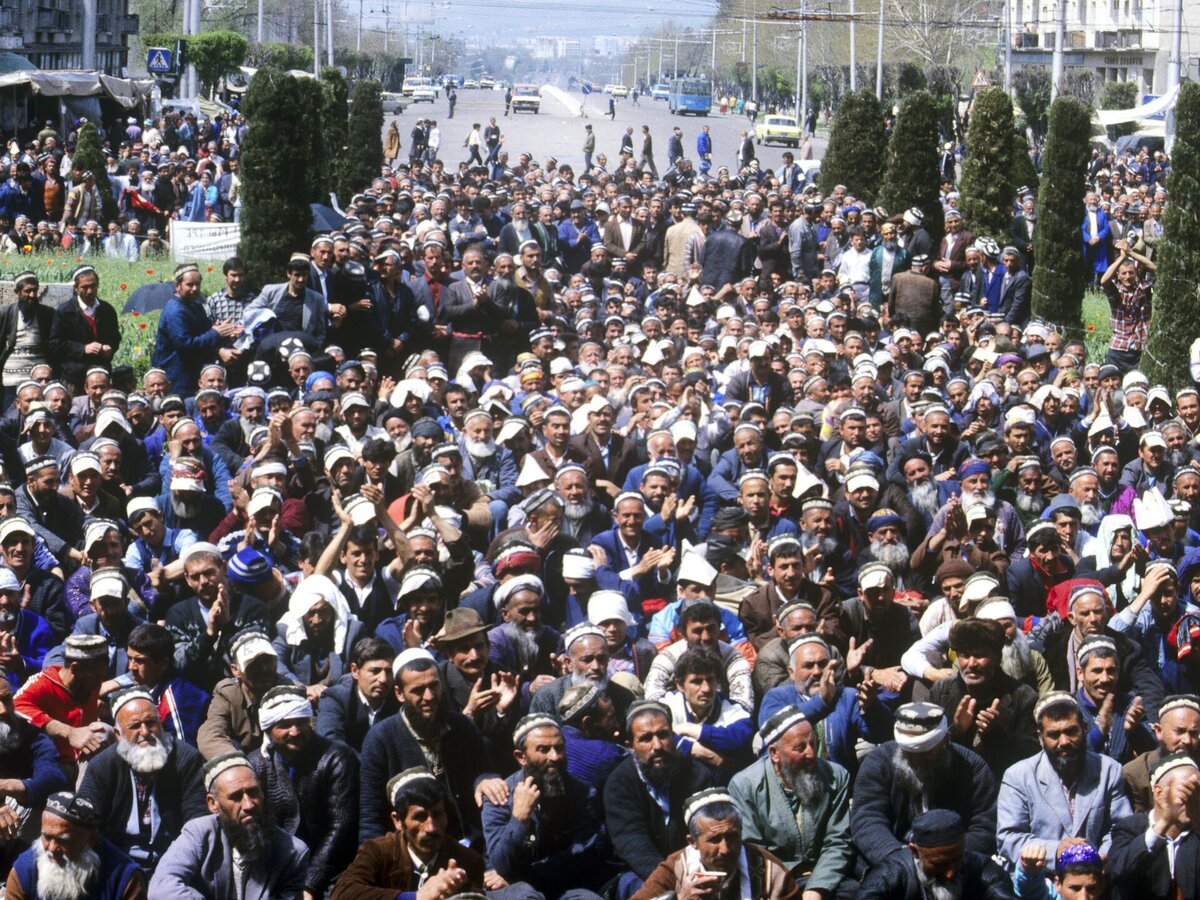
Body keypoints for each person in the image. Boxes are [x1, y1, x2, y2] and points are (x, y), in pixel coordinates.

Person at [996, 691, 1132, 872]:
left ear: (1084, 728)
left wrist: (1102, 855)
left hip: (1096, 877)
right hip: (1042, 881)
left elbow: (1122, 827)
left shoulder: (1109, 770)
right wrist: (1057, 851)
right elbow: (1008, 838)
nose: (1064, 742)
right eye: (1054, 735)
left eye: (1071, 731)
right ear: (1040, 737)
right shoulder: (1018, 777)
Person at [851, 701, 998, 866]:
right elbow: (867, 819)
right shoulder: (879, 761)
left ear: (944, 741)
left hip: (955, 863)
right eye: (909, 752)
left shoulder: (972, 767)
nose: (915, 760)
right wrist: (900, 860)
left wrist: (944, 858)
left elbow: (985, 826)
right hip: (891, 862)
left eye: (924, 753)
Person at [482, 713, 613, 897]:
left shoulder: (583, 794)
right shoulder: (500, 795)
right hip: (510, 889)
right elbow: (501, 864)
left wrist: (526, 875)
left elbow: (583, 857)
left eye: (559, 748)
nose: (555, 756)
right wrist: (519, 818)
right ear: (521, 757)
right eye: (543, 749)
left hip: (560, 883)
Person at [76, 688, 207, 870]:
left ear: (160, 724)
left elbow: (198, 821)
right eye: (135, 726)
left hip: (175, 861)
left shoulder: (186, 759)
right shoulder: (103, 766)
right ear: (117, 734)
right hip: (117, 863)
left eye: (151, 723)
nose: (145, 732)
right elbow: (85, 822)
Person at [248, 685, 359, 898]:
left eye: (301, 722)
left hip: (332, 867)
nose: (295, 732)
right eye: (284, 725)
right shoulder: (256, 764)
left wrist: (310, 884)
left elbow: (340, 827)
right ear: (269, 728)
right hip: (276, 866)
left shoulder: (337, 758)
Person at [729, 705, 854, 894]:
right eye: (800, 748)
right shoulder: (744, 785)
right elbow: (753, 851)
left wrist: (817, 888)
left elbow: (838, 841)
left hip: (826, 876)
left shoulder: (836, 776)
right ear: (774, 753)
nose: (811, 753)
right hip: (773, 881)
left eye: (813, 743)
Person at [148, 752, 309, 898]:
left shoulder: (293, 853)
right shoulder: (198, 833)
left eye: (253, 792)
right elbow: (161, 888)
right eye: (236, 797)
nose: (248, 805)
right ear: (213, 804)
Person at [331, 766, 486, 898]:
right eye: (420, 817)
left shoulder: (467, 861)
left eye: (437, 815)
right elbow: (342, 893)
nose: (431, 827)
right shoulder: (377, 852)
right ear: (398, 820)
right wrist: (416, 897)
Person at [631, 787, 800, 900]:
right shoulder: (674, 869)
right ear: (693, 842)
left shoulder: (767, 868)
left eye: (732, 837)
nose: (725, 849)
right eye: (714, 839)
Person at [5, 791, 146, 900]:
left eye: (63, 840)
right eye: (47, 837)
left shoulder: (124, 878)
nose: (52, 848)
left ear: (91, 839)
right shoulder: (24, 871)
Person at [857, 808, 1014, 899]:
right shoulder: (889, 877)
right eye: (939, 864)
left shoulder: (985, 873)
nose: (950, 873)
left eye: (957, 859)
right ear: (914, 851)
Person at [1108, 751, 1200, 899]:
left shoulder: (1196, 832)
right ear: (1158, 792)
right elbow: (1118, 871)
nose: (1192, 799)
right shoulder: (1130, 828)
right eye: (1186, 791)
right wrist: (1163, 824)